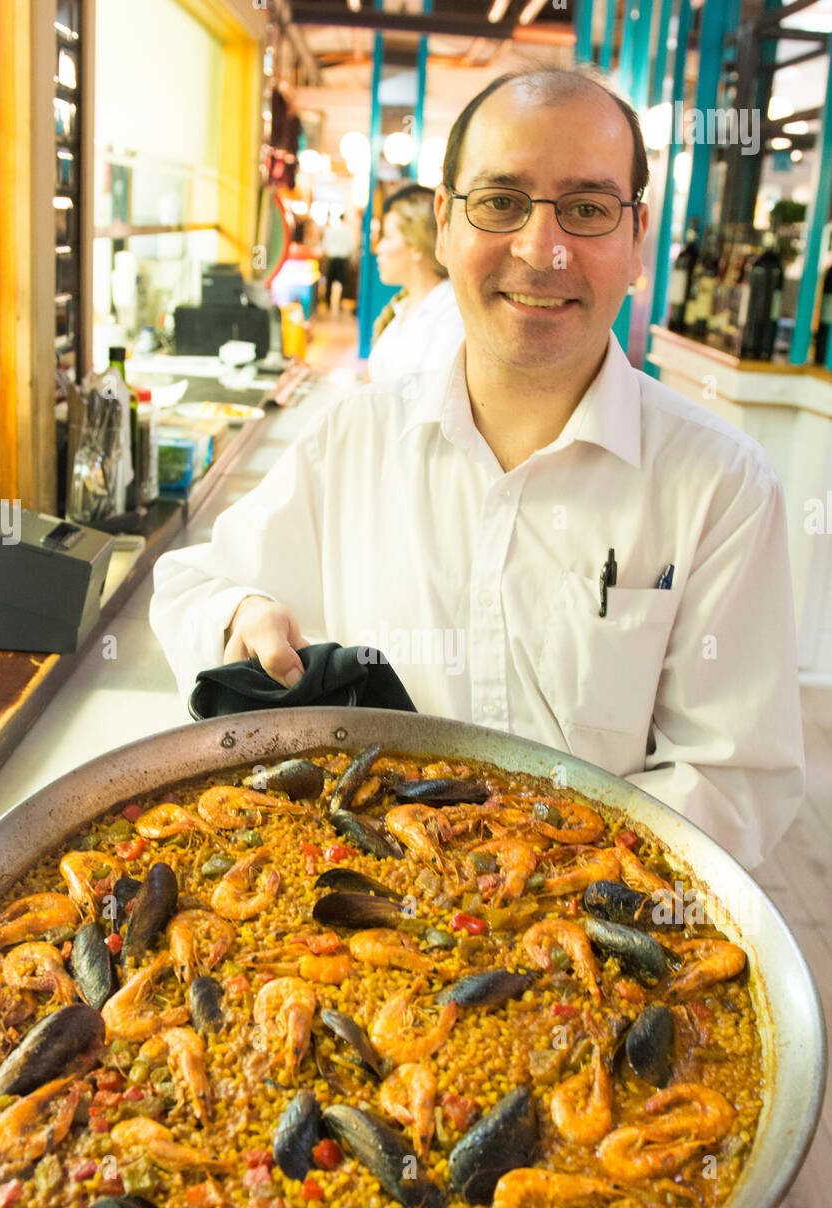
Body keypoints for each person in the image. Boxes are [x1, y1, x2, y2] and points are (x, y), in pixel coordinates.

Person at [150, 66, 804, 870]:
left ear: (637, 241)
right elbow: (191, 586)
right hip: (361, 921)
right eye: (499, 202)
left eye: (588, 210)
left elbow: (733, 779)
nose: (541, 249)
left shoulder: (720, 485)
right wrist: (242, 613)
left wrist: (530, 869)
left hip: (591, 931)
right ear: (445, 224)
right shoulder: (351, 440)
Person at [367, 184, 465, 387]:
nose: (379, 248)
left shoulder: (451, 312)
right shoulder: (401, 307)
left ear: (417, 245)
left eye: (387, 236)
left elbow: (434, 396)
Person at [322, 213, 357, 313]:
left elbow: (325, 244)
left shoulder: (331, 230)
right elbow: (351, 247)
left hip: (332, 258)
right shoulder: (348, 232)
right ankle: (340, 302)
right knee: (343, 282)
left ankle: (328, 303)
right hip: (343, 259)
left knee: (329, 281)